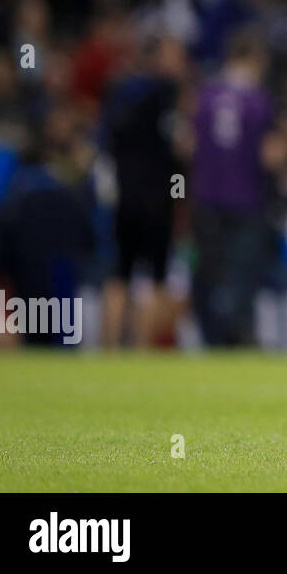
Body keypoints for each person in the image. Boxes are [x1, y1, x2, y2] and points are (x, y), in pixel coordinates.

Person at [190, 27, 283, 346]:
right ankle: (237, 336)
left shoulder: (205, 96)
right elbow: (269, 155)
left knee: (210, 271)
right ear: (254, 59)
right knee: (241, 273)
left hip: (206, 198)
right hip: (246, 198)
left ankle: (210, 337)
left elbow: (188, 145)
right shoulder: (258, 100)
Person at [100, 33, 187, 347]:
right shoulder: (165, 93)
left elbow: (107, 140)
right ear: (159, 58)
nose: (181, 63)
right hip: (155, 197)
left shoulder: (121, 90)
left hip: (125, 194)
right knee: (156, 278)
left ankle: (108, 350)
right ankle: (139, 350)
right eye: (175, 55)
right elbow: (179, 144)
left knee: (119, 275)